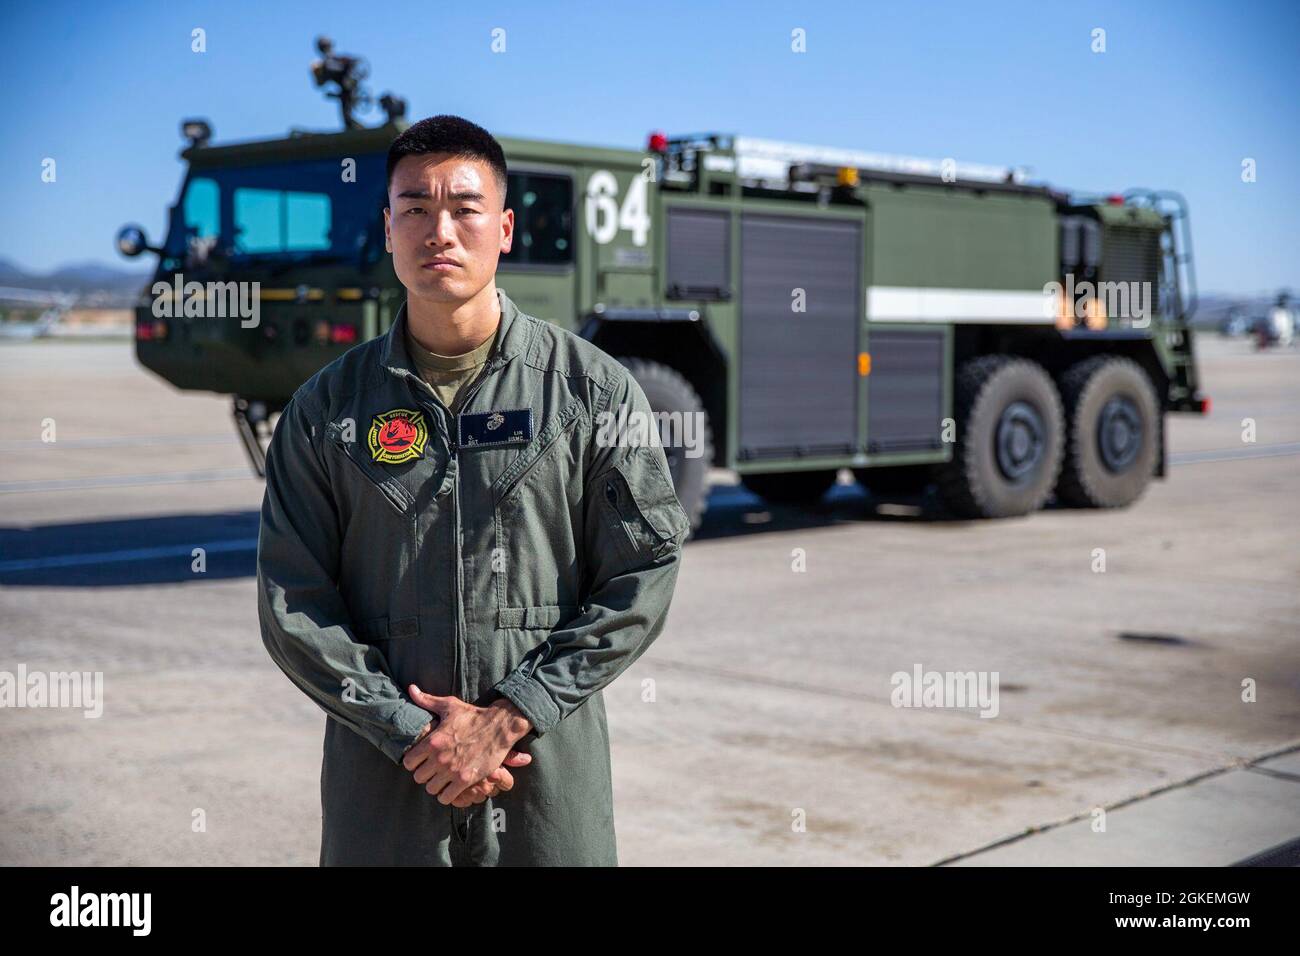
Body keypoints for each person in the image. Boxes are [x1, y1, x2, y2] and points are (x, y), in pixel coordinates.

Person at [256, 115, 690, 865]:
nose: (440, 231)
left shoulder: (589, 392)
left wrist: (515, 711)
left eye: (464, 207)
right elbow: (292, 603)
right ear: (387, 228)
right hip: (388, 786)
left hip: (544, 777)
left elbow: (643, 569)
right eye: (415, 209)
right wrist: (408, 730)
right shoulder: (326, 411)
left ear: (506, 228)